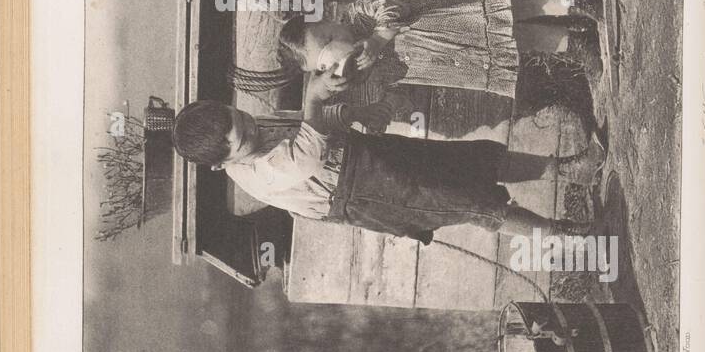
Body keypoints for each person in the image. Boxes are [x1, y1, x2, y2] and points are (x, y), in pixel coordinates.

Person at [171, 73, 589, 245]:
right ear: (221, 163)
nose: (249, 127)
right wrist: (314, 95)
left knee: (470, 159)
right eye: (239, 138)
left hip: (368, 154)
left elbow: (312, 124)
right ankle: (564, 233)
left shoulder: (259, 126)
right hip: (366, 194)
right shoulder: (255, 177)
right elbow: (307, 155)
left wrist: (350, 112)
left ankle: (567, 169)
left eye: (238, 117)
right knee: (471, 204)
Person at [278, 0, 598, 101]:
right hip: (455, 55)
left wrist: (377, 39)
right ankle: (575, 46)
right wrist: (346, 81)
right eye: (322, 65)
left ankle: (577, 4)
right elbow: (374, 86)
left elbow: (394, 9)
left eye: (328, 40)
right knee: (520, 42)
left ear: (330, 23)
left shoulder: (359, 12)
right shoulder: (360, 69)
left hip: (456, 13)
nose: (332, 57)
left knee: (522, 6)